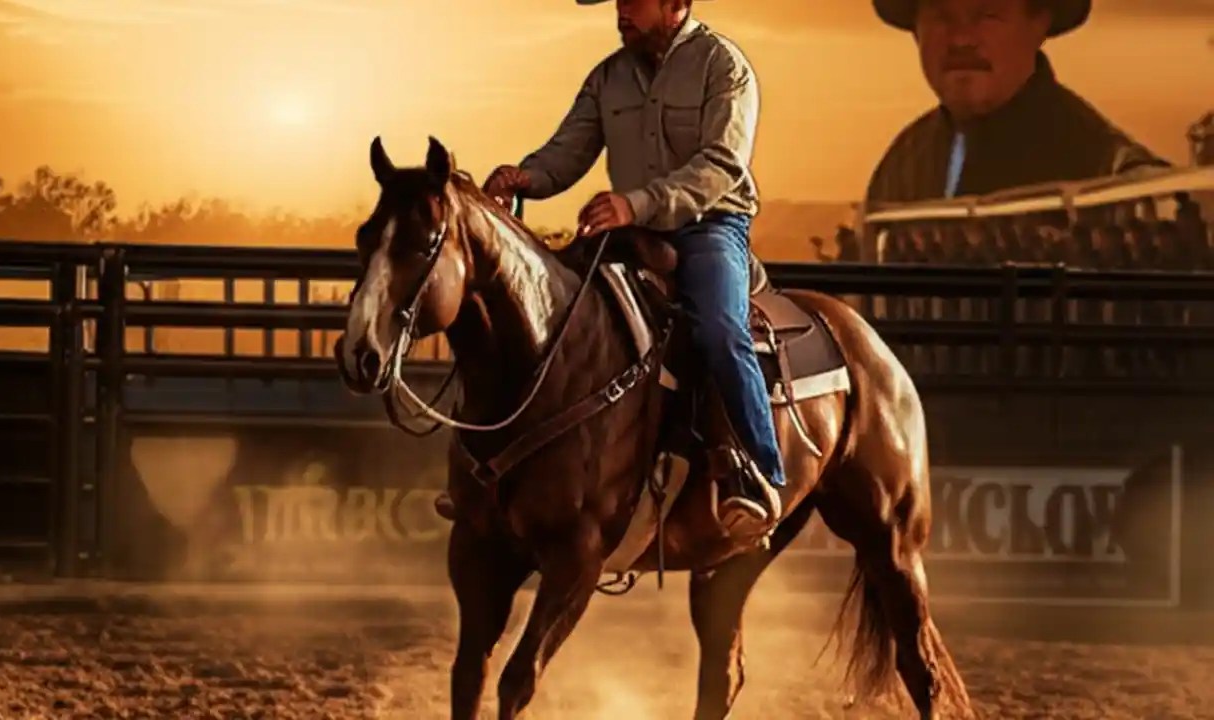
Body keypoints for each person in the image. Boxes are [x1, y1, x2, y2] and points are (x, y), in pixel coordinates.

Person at [433, 0, 788, 530]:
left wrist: (635, 203)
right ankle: (508, 468)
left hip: (709, 224)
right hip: (630, 228)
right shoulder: (608, 77)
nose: (623, 11)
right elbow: (569, 150)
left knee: (717, 327)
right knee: (556, 315)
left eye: (635, 1)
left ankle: (756, 470)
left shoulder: (723, 67)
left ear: (676, 5)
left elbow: (721, 166)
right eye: (619, 2)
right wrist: (527, 176)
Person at [866, 0, 1169, 206]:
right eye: (941, 16)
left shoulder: (1115, 179)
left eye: (987, 15)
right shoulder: (901, 166)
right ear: (916, 33)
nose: (961, 39)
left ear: (1038, 24)